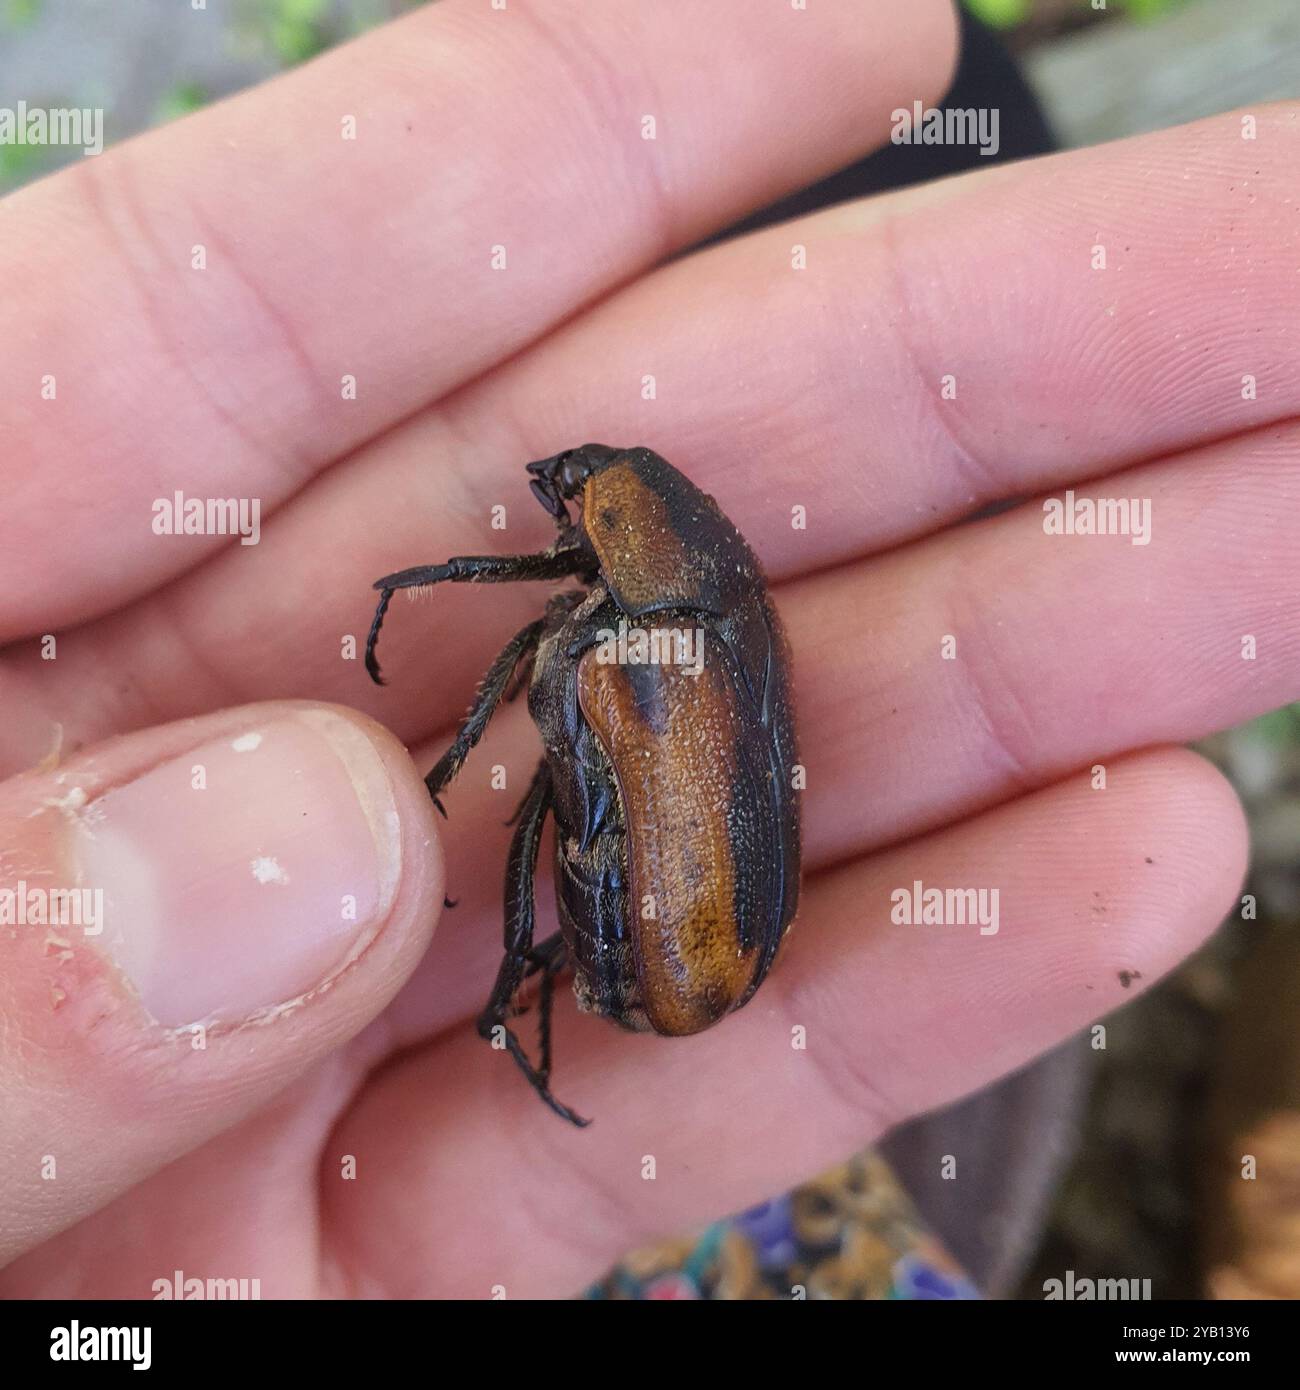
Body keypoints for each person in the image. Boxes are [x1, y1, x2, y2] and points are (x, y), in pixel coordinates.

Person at [0, 0, 1291, 1299]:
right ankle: (535, 1007)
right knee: (530, 799)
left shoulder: (626, 648)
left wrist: (427, 638)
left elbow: (515, 681)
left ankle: (523, 992)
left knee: (521, 819)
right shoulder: (699, 617)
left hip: (666, 951)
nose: (559, 500)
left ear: (621, 539)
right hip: (688, 973)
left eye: (582, 499)